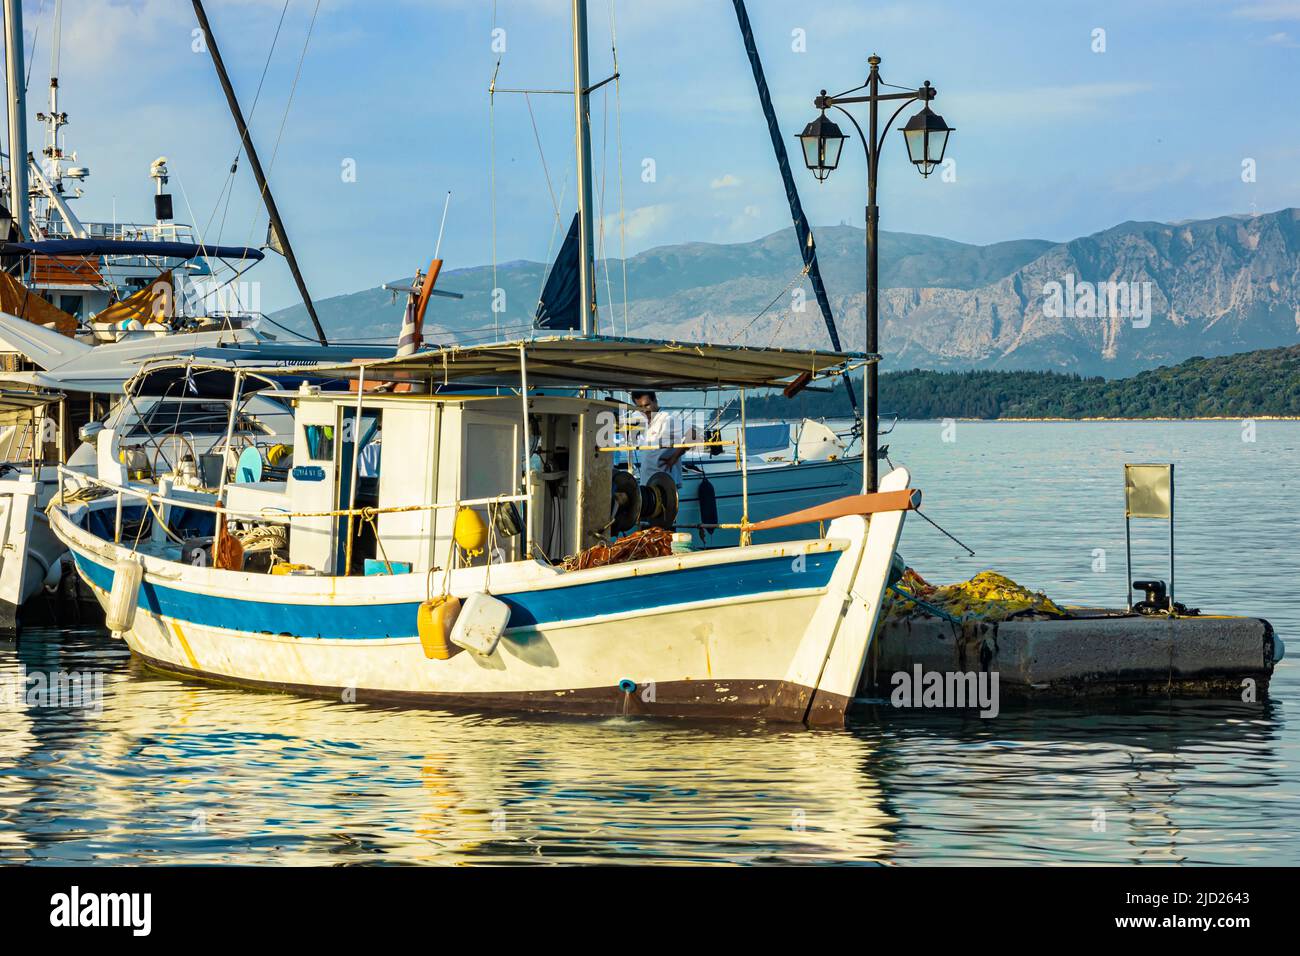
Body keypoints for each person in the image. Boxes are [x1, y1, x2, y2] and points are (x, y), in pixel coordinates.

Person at [630, 391, 694, 487]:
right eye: (640, 407)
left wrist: (674, 457)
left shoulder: (667, 419)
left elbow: (694, 435)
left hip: (665, 481)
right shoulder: (644, 421)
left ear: (655, 401)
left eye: (646, 405)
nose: (644, 410)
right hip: (648, 481)